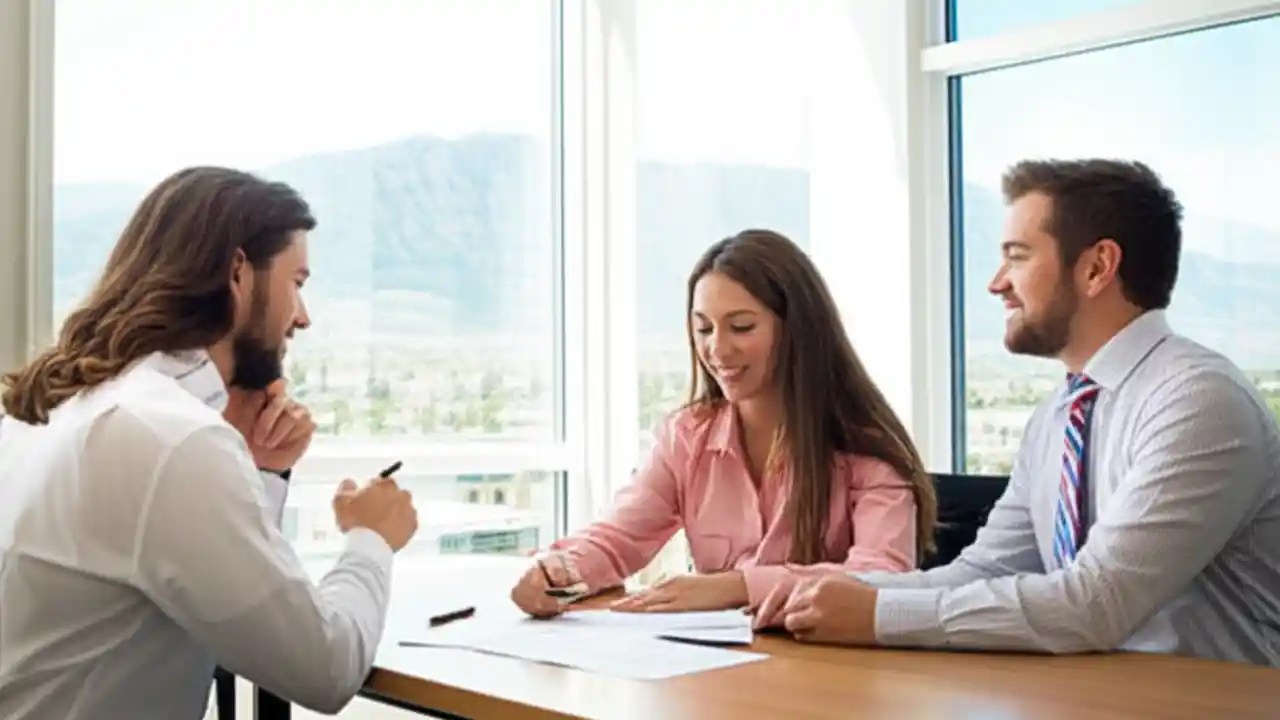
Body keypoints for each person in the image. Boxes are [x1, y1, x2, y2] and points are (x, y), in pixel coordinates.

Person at [763, 159, 1280, 666]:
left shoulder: (1199, 403)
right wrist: (824, 589)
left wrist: (878, 614)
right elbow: (983, 571)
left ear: (1097, 267)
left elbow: (1095, 604)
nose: (996, 283)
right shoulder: (1060, 413)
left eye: (1017, 257)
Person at [0, 167, 420, 719]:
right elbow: (326, 670)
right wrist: (372, 537)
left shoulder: (58, 407)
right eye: (297, 283)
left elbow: (235, 607)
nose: (303, 317)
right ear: (238, 272)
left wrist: (260, 469)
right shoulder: (171, 439)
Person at [510, 230, 936, 624]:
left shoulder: (866, 450)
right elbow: (617, 539)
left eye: (741, 327)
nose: (718, 349)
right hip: (719, 670)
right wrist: (562, 570)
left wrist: (733, 586)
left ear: (798, 332)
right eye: (704, 329)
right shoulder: (686, 437)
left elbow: (881, 577)